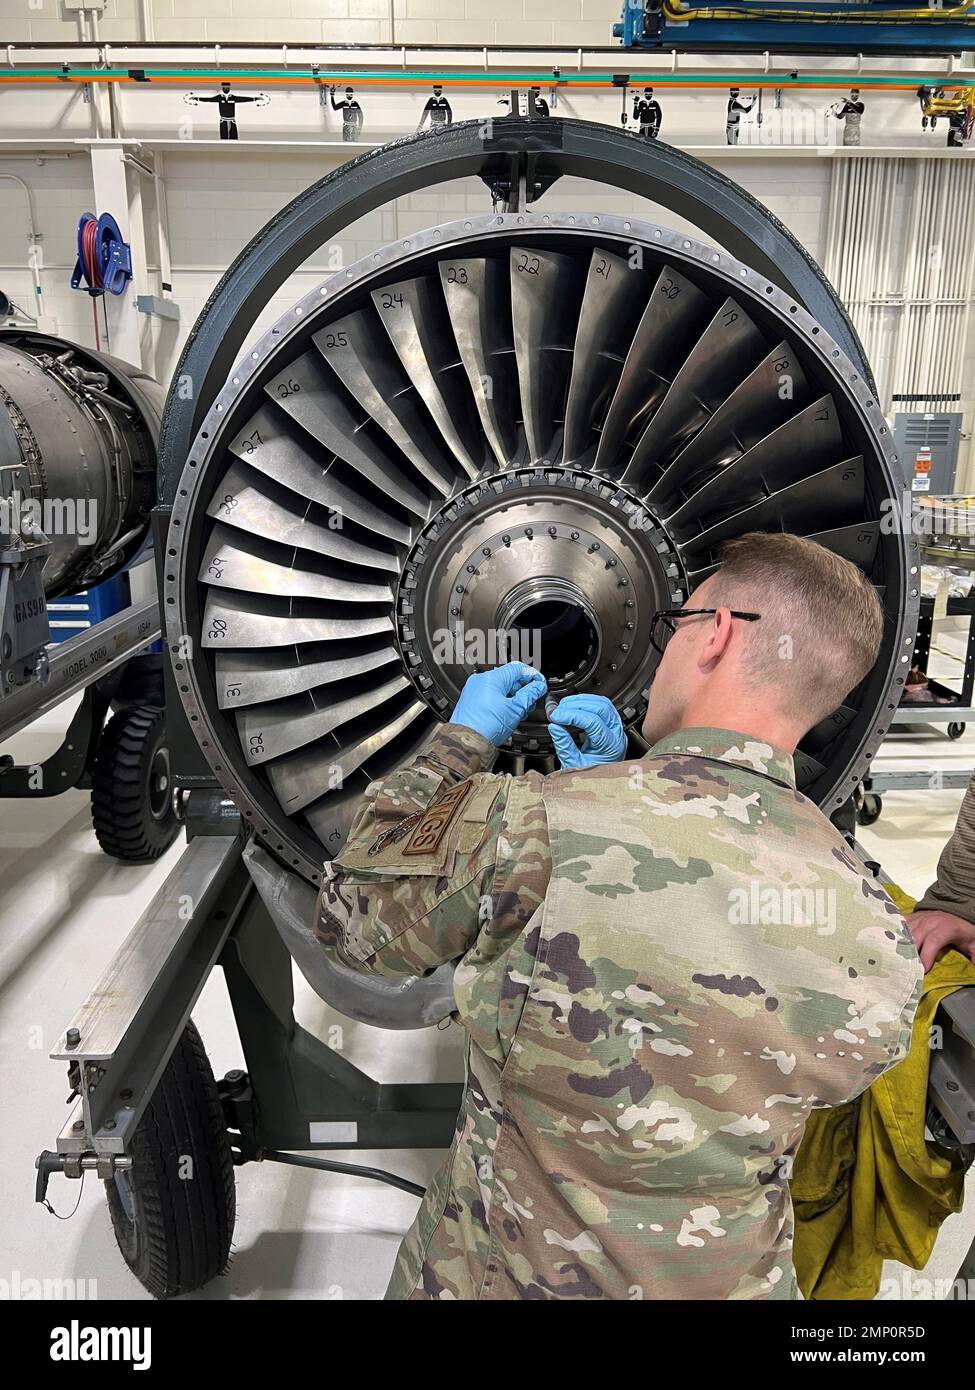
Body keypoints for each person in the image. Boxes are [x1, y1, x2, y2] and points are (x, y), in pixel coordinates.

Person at [315, 531, 921, 1300]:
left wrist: (461, 744)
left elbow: (350, 918)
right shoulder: (875, 930)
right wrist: (617, 781)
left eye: (674, 626)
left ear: (718, 634)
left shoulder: (527, 827)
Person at [187, 82, 264, 141]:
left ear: (229, 88)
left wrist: (255, 99)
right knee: (223, 137)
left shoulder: (233, 97)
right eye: (224, 87)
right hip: (223, 120)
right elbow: (209, 100)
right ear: (222, 88)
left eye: (227, 87)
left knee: (234, 138)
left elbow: (243, 99)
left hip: (232, 121)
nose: (226, 89)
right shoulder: (219, 97)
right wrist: (197, 98)